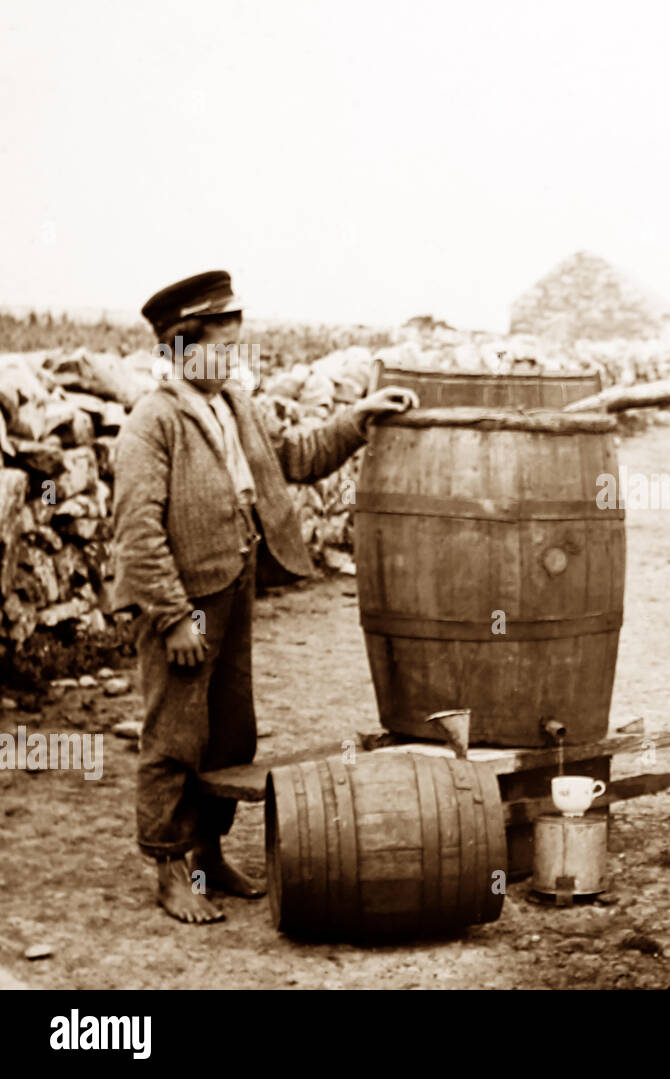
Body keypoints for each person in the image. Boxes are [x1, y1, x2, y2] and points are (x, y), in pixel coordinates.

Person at [113, 270, 416, 925]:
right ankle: (168, 867)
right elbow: (136, 529)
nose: (233, 360)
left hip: (235, 583)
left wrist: (357, 420)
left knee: (230, 728)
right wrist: (170, 618)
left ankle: (207, 850)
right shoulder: (153, 421)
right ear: (178, 345)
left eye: (237, 346)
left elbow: (294, 457)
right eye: (221, 347)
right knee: (173, 733)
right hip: (184, 601)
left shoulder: (233, 404)